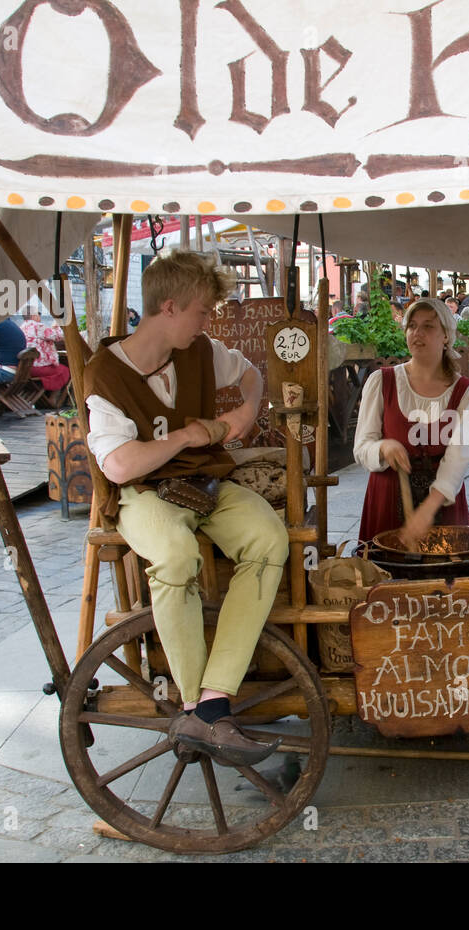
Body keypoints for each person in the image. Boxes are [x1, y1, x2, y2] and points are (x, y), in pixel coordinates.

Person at [84, 249, 288, 768]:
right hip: (146, 492)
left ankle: (214, 699)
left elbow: (250, 376)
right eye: (202, 312)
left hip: (208, 483)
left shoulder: (199, 350)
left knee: (270, 538)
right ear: (169, 308)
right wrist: (186, 436)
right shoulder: (104, 374)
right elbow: (121, 465)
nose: (207, 322)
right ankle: (197, 707)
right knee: (175, 556)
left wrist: (245, 411)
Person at [354, 298, 469, 546]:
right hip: (387, 503)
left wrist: (427, 509)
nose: (417, 333)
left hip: (443, 507)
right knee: (385, 577)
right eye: (412, 326)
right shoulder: (382, 382)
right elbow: (361, 447)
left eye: (428, 326)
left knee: (444, 581)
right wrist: (383, 447)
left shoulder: (467, 394)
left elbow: (458, 459)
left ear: (446, 335)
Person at [20, 302, 70, 394]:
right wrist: (57, 325)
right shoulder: (37, 326)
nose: (40, 316)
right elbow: (59, 336)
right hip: (38, 367)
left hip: (24, 367)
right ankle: (54, 398)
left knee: (59, 368)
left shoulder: (22, 327)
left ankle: (43, 397)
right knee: (64, 370)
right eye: (39, 314)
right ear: (34, 315)